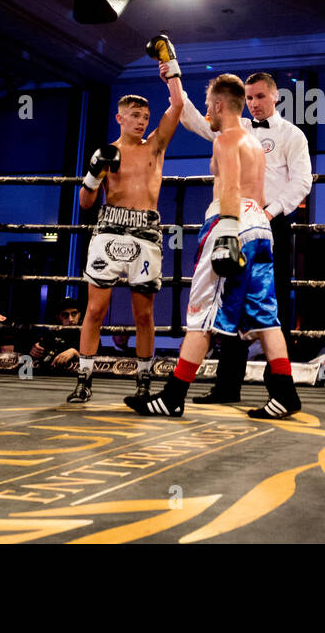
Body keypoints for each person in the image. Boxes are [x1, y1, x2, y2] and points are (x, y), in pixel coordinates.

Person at [126, 72, 300, 420]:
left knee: (202, 316)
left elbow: (231, 186)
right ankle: (284, 393)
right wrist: (172, 75)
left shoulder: (227, 141)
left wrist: (227, 236)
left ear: (219, 105)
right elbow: (261, 196)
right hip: (262, 228)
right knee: (266, 317)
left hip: (230, 223)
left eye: (209, 106)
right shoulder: (252, 142)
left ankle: (174, 395)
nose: (207, 111)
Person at [173, 64, 312, 404]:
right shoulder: (239, 129)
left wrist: (264, 212)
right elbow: (192, 118)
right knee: (258, 311)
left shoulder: (289, 135)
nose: (254, 103)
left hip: (262, 219)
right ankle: (235, 386)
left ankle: (177, 393)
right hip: (254, 222)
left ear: (276, 96)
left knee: (248, 306)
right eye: (248, 97)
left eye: (260, 96)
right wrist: (173, 79)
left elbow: (302, 182)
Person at [68, 59, 182, 404]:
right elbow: (85, 203)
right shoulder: (107, 153)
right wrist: (92, 175)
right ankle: (83, 379)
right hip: (109, 229)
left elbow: (177, 105)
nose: (142, 122)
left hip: (145, 231)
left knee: (144, 314)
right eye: (135, 116)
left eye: (145, 117)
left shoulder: (155, 147)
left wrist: (171, 71)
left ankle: (143, 380)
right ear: (120, 118)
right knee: (94, 311)